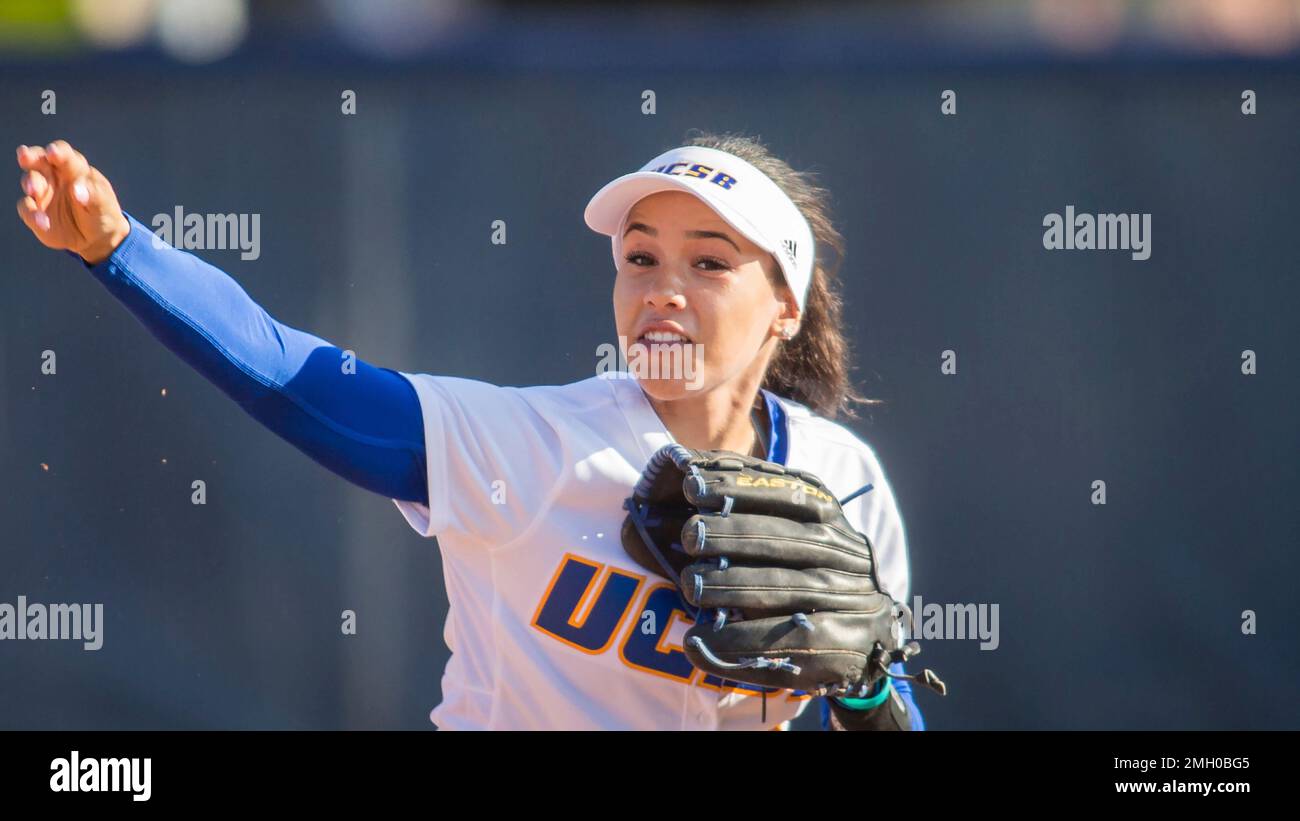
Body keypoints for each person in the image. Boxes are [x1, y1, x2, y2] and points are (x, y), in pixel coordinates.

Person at [15, 130, 924, 730]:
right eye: (640, 256)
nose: (662, 288)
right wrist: (120, 248)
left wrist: (872, 687)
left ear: (785, 309)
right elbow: (296, 381)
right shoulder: (533, 444)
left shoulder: (843, 481)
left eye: (709, 262)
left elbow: (888, 707)